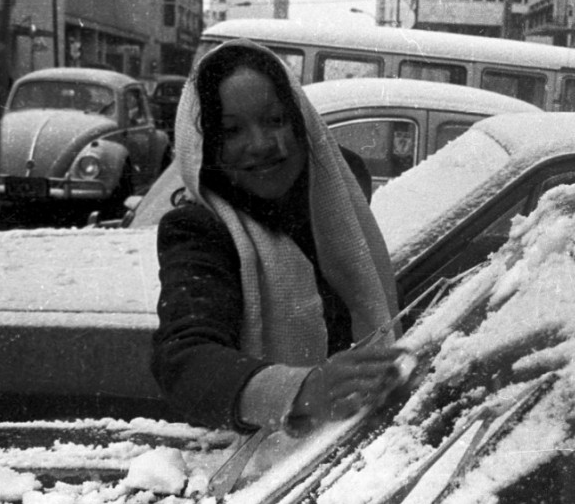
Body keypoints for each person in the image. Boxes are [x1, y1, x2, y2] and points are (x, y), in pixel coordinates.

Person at [151, 39, 404, 435]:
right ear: (207, 147)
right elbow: (185, 360)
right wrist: (299, 391)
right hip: (275, 471)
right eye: (232, 130)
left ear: (300, 121)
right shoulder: (200, 231)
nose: (263, 144)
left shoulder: (339, 197)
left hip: (362, 449)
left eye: (275, 120)